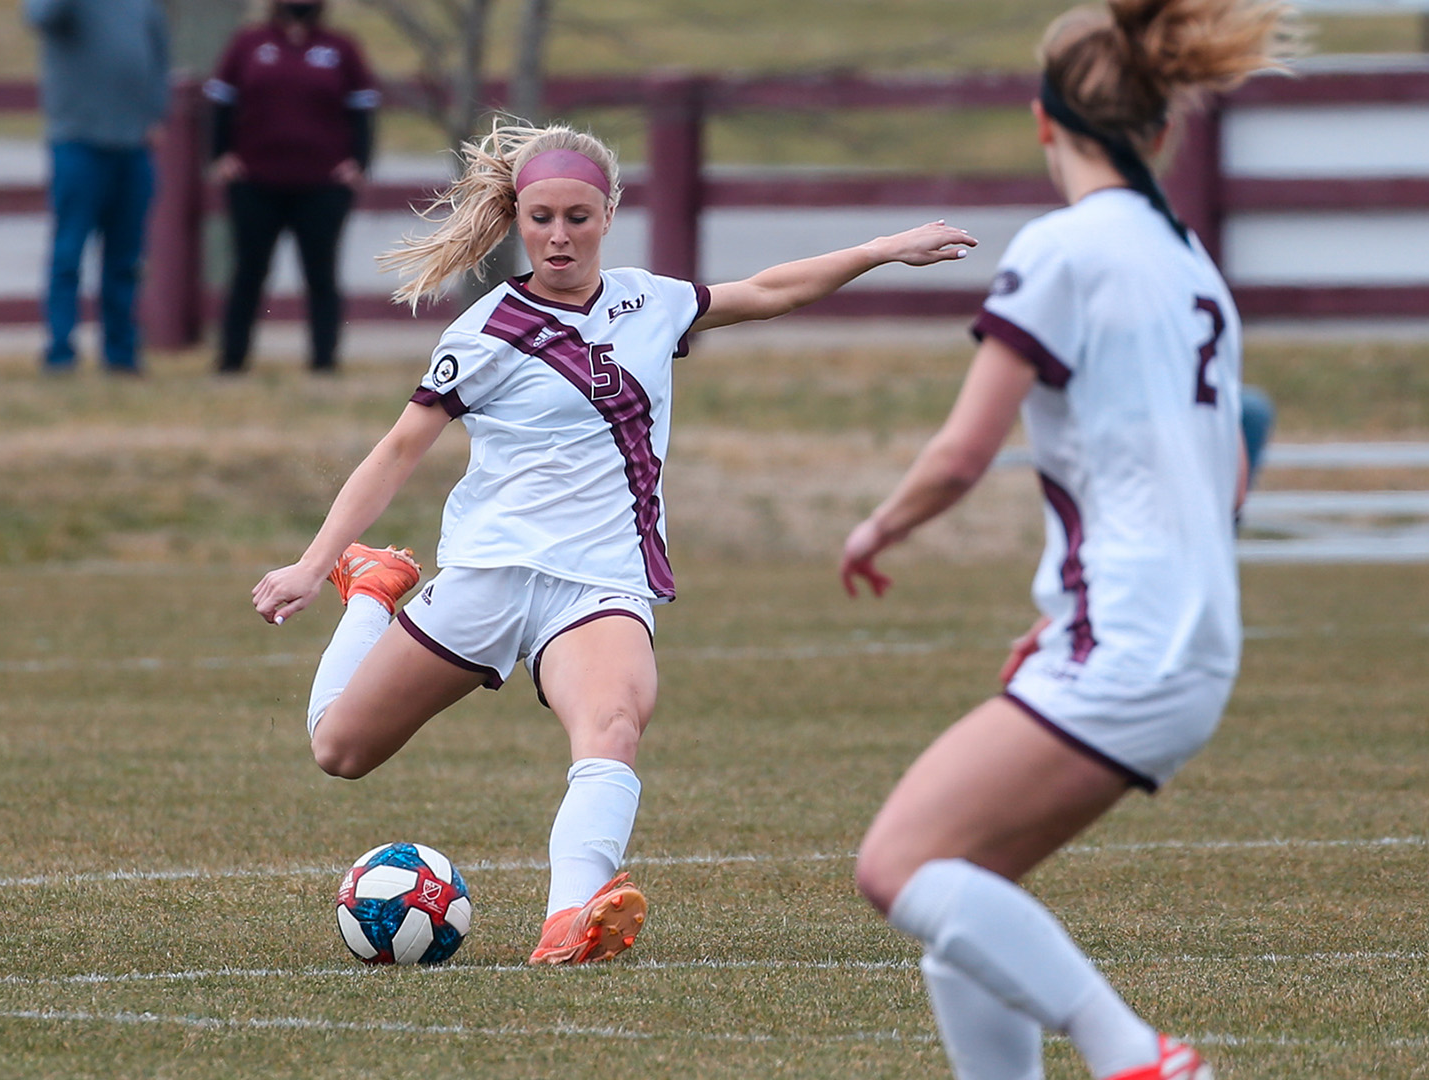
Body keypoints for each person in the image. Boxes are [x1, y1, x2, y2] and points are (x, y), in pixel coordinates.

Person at [250, 121, 975, 964]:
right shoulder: (488, 331)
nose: (559, 236)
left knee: (614, 722)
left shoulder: (649, 301)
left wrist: (885, 248)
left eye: (579, 217)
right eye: (542, 217)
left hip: (601, 580)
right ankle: (372, 589)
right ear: (517, 217)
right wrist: (314, 563)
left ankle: (570, 918)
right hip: (490, 573)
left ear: (611, 212)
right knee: (340, 750)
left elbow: (771, 289)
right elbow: (397, 450)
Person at [837, 1, 1290, 1077]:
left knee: (897, 865)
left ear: (1045, 124)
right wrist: (1063, 619)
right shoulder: (1191, 266)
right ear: (1163, 129)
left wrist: (877, 526)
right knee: (966, 892)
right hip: (1185, 639)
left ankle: (1131, 1054)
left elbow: (960, 455)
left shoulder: (1065, 250)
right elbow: (1228, 470)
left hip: (1129, 639)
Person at [205, 0, 380, 375]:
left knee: (321, 272)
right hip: (254, 182)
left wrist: (358, 163)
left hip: (322, 186)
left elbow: (362, 108)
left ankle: (324, 362)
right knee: (249, 271)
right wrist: (221, 155)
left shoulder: (340, 48)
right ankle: (232, 361)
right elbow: (221, 103)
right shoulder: (249, 44)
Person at [25, 0, 171, 376]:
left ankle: (121, 354)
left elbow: (158, 54)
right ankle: (60, 353)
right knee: (69, 253)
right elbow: (40, 16)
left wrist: (156, 114)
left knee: (126, 258)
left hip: (134, 144)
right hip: (79, 141)